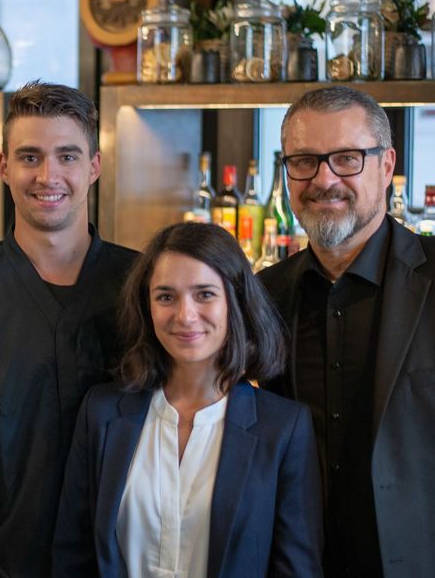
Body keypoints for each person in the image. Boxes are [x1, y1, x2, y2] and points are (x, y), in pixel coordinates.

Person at [0, 81, 139, 577]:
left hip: (126, 561)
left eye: (67, 156)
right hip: (3, 564)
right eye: (30, 157)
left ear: (94, 166)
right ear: (4, 167)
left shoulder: (143, 288)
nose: (48, 175)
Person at [53, 221, 323, 577]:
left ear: (235, 301)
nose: (185, 315)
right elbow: (73, 557)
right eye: (166, 296)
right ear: (146, 306)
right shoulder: (101, 413)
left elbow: (297, 570)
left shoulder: (283, 429)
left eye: (205, 294)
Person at [258, 85, 435, 577]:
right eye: (304, 161)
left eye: (346, 158)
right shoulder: (262, 295)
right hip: (297, 561)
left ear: (386, 165)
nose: (324, 179)